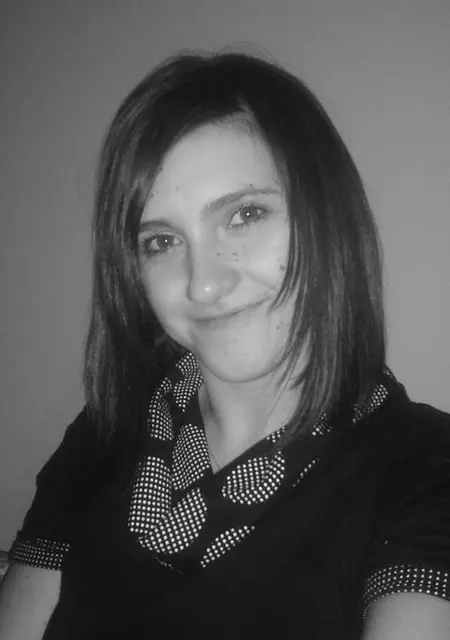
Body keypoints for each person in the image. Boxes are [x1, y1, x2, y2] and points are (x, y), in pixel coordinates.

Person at [0, 50, 449, 640]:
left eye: (245, 215)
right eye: (162, 242)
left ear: (328, 220)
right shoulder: (107, 430)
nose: (202, 284)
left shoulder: (426, 467)